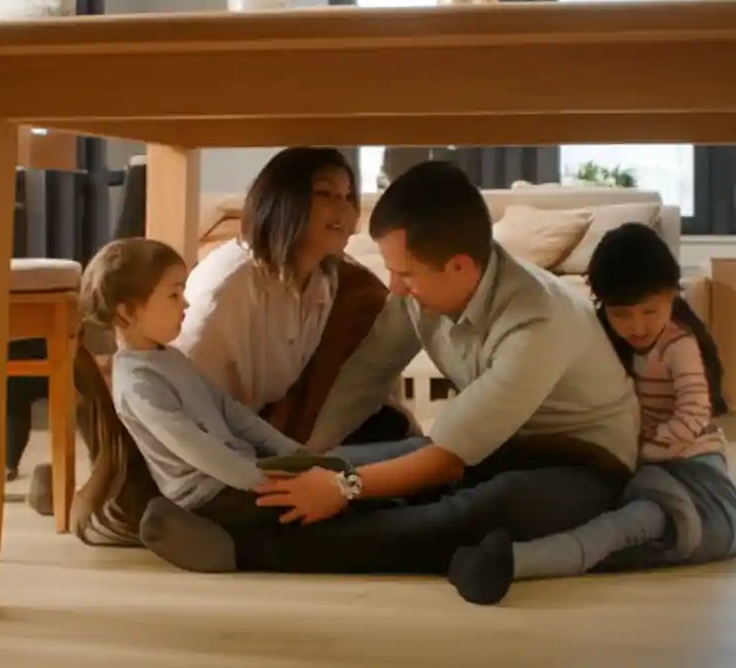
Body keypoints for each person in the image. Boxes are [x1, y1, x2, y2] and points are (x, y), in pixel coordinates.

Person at [137, 160, 642, 575]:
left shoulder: (539, 321)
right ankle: (227, 517)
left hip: (581, 463)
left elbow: (446, 459)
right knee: (355, 463)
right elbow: (367, 373)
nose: (394, 288)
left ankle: (241, 552)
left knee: (467, 513)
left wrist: (342, 488)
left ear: (460, 266)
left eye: (405, 273)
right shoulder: (421, 293)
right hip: (492, 445)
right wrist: (314, 460)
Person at [447, 223, 736, 604]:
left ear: (673, 296)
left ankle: (514, 563)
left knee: (629, 526)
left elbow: (695, 411)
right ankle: (507, 555)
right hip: (637, 460)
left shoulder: (679, 345)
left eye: (649, 311)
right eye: (622, 314)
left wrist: (650, 451)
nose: (637, 326)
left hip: (687, 465)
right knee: (598, 517)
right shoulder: (602, 338)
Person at [74, 237, 427, 550]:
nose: (186, 304)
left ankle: (410, 497)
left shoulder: (169, 358)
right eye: (173, 294)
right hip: (210, 496)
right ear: (126, 312)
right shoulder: (137, 384)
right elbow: (197, 449)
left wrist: (292, 453)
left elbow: (230, 411)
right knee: (335, 513)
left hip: (241, 474)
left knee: (336, 470)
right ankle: (203, 538)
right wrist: (260, 481)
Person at [173, 147, 412, 445]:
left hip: (262, 434)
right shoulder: (228, 289)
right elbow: (180, 401)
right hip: (208, 444)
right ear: (284, 201)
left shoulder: (324, 280)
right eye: (325, 194)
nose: (342, 208)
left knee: (391, 433)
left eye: (347, 195)